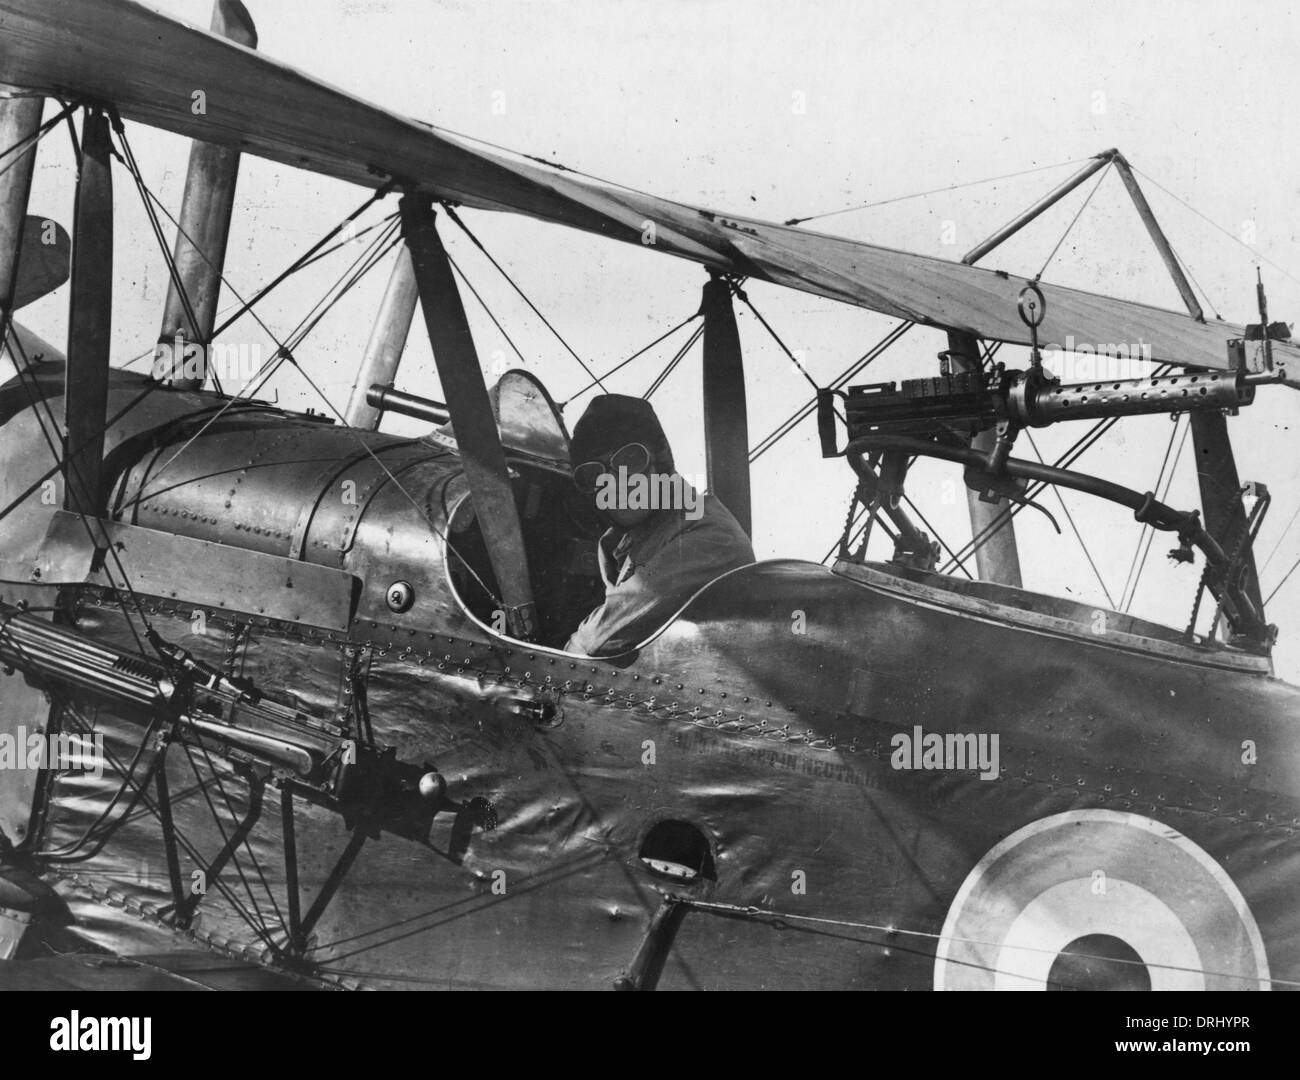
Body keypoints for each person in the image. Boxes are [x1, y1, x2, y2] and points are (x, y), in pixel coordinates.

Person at [565, 395, 755, 656]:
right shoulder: (629, 540)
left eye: (630, 460)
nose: (615, 481)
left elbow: (600, 639)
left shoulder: (710, 535)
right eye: (594, 474)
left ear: (660, 463)